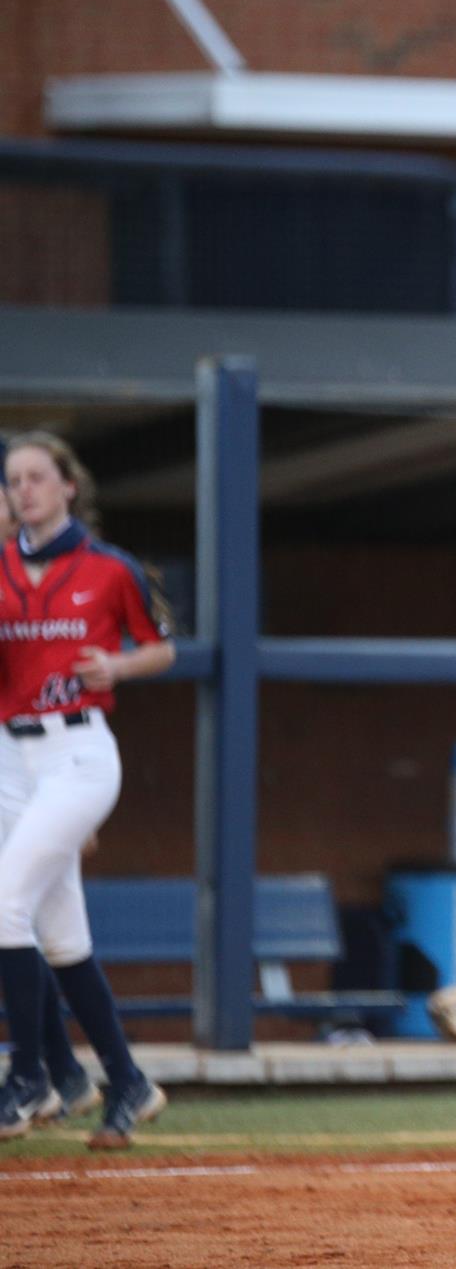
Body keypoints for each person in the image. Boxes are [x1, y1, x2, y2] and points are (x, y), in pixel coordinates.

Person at [0, 432, 175, 1149]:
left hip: (80, 751)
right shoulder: (3, 564)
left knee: (5, 902)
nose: (25, 490)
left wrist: (119, 668)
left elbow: (161, 645)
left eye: (38, 477)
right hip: (14, 756)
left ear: (69, 485)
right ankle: (125, 1080)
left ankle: (29, 1075)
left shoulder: (109, 567)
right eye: (14, 480)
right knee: (64, 937)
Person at [0, 476, 102, 1132]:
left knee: (14, 914)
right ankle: (59, 1070)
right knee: (15, 918)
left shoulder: (37, 578)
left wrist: (71, 798)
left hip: (29, 755)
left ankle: (40, 1072)